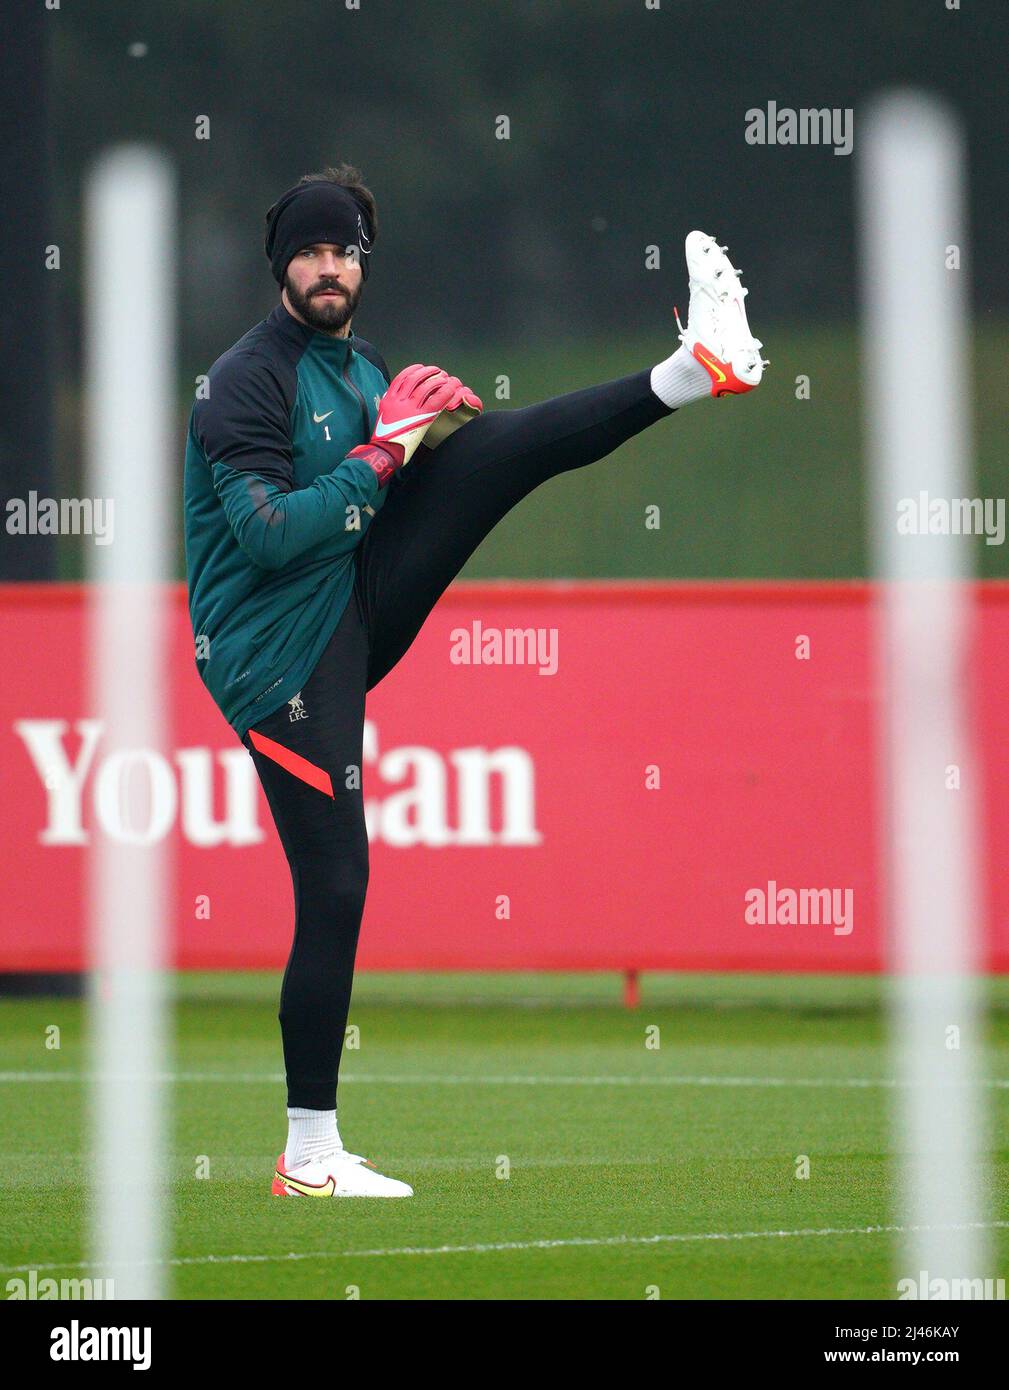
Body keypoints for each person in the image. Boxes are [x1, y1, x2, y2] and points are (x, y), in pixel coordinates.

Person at [183, 163, 766, 1198]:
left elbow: (391, 467)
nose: (330, 268)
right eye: (312, 252)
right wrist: (387, 451)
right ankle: (309, 1157)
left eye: (346, 252)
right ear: (281, 264)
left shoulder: (359, 367)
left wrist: (434, 434)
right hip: (276, 658)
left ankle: (692, 370)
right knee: (337, 884)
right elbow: (268, 538)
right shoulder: (245, 379)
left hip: (348, 610)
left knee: (494, 446)